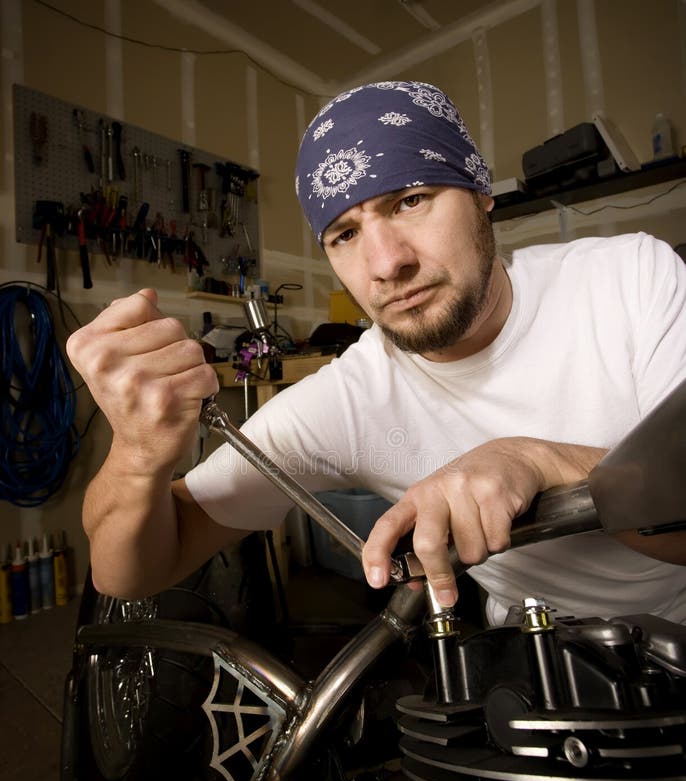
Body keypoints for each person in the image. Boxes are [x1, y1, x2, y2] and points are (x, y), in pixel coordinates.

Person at [67, 80, 686, 625]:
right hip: (542, 649)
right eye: (345, 233)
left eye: (410, 201)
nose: (387, 264)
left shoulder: (629, 278)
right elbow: (130, 574)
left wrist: (535, 459)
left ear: (480, 192)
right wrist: (138, 453)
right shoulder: (349, 402)